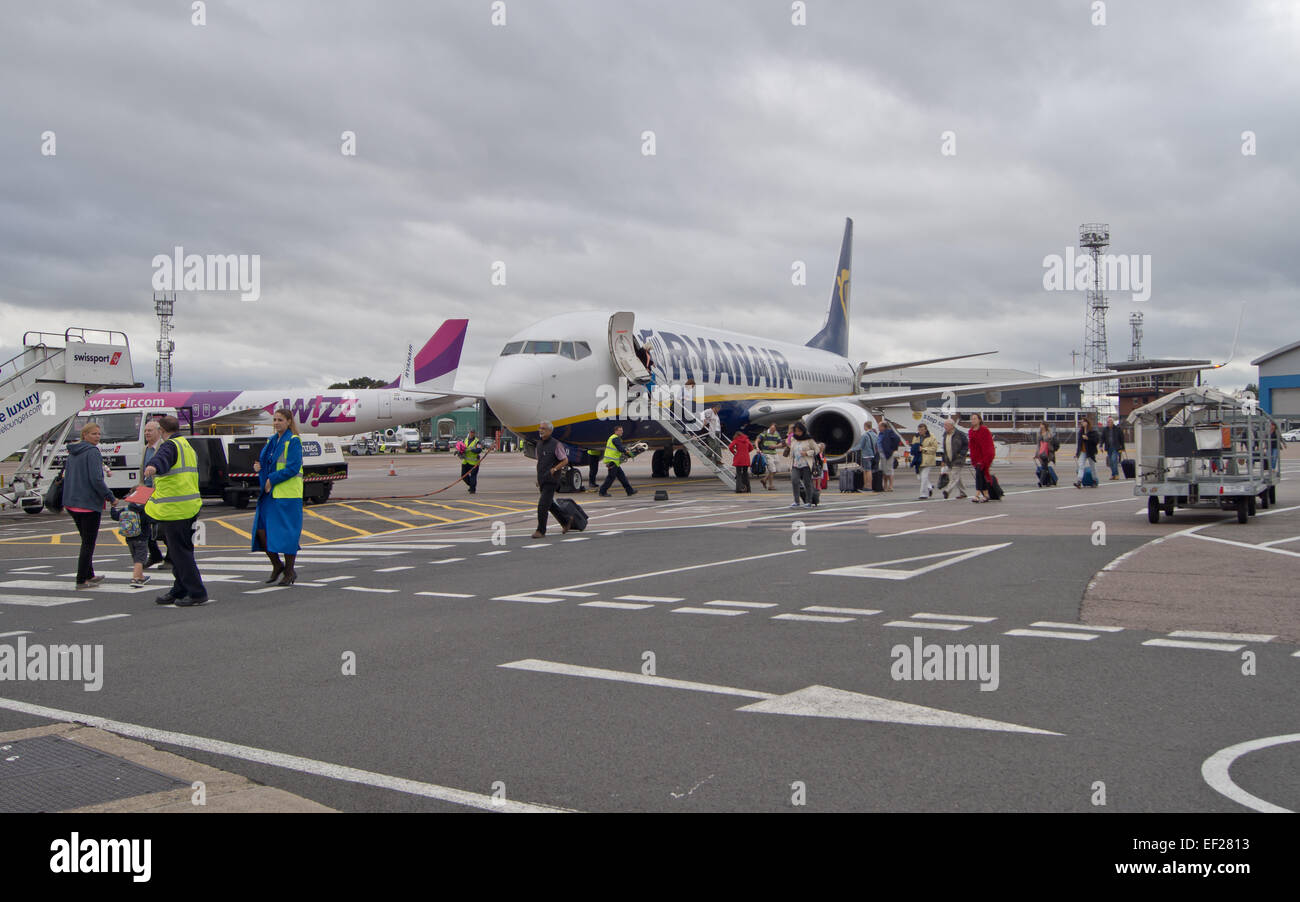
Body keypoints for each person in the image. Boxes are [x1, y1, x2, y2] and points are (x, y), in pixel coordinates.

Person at [143, 415, 209, 606]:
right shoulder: (186, 445)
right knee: (180, 551)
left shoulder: (169, 446)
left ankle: (197, 593)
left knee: (180, 553)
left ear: (162, 431)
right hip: (188, 506)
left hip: (175, 509)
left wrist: (153, 466)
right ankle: (179, 589)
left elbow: (163, 460)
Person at [62, 422, 119, 589]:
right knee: (88, 543)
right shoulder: (93, 452)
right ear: (85, 435)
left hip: (72, 502)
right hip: (88, 503)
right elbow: (96, 479)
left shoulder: (73, 451)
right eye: (94, 434)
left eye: (99, 434)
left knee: (85, 540)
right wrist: (110, 497)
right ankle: (81, 579)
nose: (97, 437)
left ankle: (89, 574)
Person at [252, 408, 304, 586]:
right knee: (261, 530)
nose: (276, 423)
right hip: (270, 493)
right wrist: (259, 468)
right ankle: (277, 564)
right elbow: (268, 463)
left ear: (289, 421)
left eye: (280, 420)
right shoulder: (272, 440)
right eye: (274, 420)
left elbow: (293, 468)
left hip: (287, 495)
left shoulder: (293, 441)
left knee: (287, 533)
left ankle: (289, 571)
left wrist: (271, 479)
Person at [533, 421, 575, 538]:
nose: (540, 430)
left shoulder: (556, 444)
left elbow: (565, 460)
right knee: (549, 503)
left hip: (551, 480)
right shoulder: (539, 445)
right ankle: (566, 520)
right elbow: (540, 462)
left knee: (542, 505)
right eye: (540, 428)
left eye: (543, 428)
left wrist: (555, 469)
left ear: (550, 431)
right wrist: (538, 478)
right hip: (542, 479)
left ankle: (540, 530)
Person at [140, 419, 168, 568]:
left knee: (162, 526)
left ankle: (170, 557)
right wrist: (139, 485)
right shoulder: (146, 448)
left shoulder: (164, 447)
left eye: (149, 430)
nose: (146, 433)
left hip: (160, 492)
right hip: (146, 491)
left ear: (159, 431)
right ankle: (155, 554)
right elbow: (142, 470)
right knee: (143, 523)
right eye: (145, 431)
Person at [109, 501, 151, 588]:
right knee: (140, 559)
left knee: (136, 558)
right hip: (141, 538)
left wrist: (113, 508)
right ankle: (135, 579)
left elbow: (115, 516)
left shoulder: (126, 509)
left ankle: (141, 576)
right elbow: (151, 520)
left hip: (129, 538)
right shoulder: (145, 509)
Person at [783, 421, 819, 508]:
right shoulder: (793, 439)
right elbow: (791, 449)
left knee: (807, 482)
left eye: (799, 431)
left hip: (806, 464)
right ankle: (796, 501)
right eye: (796, 431)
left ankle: (809, 501)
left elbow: (817, 450)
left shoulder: (809, 439)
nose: (797, 433)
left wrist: (807, 453)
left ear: (803, 430)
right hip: (795, 464)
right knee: (794, 480)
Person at [599, 425, 638, 497]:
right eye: (620, 430)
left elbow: (619, 448)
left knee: (622, 477)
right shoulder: (615, 438)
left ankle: (630, 491)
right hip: (612, 461)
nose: (622, 432)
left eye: (622, 430)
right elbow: (620, 448)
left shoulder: (613, 438)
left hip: (615, 462)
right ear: (616, 431)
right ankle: (602, 491)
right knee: (611, 477)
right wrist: (627, 452)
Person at [968, 412, 996, 503]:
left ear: (979, 420)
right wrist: (973, 458)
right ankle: (986, 494)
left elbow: (988, 445)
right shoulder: (971, 431)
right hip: (976, 457)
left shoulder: (984, 430)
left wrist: (985, 459)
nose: (973, 420)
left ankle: (977, 494)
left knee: (979, 474)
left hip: (985, 456)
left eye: (975, 418)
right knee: (981, 476)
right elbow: (972, 446)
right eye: (972, 419)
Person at [940, 418, 970, 500]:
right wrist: (944, 459)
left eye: (946, 425)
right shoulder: (945, 435)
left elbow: (966, 445)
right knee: (957, 477)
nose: (945, 426)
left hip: (958, 459)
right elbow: (945, 448)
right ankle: (963, 493)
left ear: (952, 426)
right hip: (949, 459)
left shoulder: (960, 434)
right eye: (944, 425)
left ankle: (947, 491)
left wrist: (961, 454)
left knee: (954, 475)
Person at [1074, 416, 1101, 488]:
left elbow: (1096, 441)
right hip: (1083, 451)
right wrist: (1077, 453)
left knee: (1093, 467)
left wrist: (1088, 438)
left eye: (1083, 421)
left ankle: (1095, 480)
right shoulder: (1081, 432)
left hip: (1090, 451)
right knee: (1081, 466)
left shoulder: (1092, 431)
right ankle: (1079, 481)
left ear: (1087, 422)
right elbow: (1079, 443)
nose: (1082, 423)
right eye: (1081, 422)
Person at [877, 420, 902, 492]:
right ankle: (885, 485)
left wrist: (892, 449)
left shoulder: (889, 432)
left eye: (879, 426)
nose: (878, 428)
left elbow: (897, 439)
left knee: (889, 470)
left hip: (887, 453)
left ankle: (890, 486)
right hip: (881, 453)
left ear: (883, 427)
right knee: (883, 470)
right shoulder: (881, 434)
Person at [756, 424, 782, 490]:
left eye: (773, 430)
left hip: (774, 453)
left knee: (777, 469)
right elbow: (757, 440)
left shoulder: (777, 434)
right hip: (767, 453)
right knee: (772, 469)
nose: (772, 431)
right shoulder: (764, 433)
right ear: (769, 428)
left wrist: (775, 446)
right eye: (771, 429)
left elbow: (781, 443)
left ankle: (764, 479)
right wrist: (757, 448)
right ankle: (771, 486)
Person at [1034, 421, 1060, 486]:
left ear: (1044, 426)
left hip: (1047, 453)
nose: (1040, 426)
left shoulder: (1048, 433)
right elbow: (1038, 445)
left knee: (1044, 467)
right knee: (1045, 468)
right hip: (1041, 453)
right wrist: (1036, 454)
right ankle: (1049, 481)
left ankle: (1041, 481)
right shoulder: (1039, 434)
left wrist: (1049, 438)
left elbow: (1050, 443)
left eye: (1041, 424)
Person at [916, 423, 938, 499]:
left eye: (922, 430)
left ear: (926, 429)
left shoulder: (931, 437)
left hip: (928, 459)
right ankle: (929, 487)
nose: (920, 431)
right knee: (920, 477)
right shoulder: (916, 437)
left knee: (924, 476)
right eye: (919, 430)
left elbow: (934, 448)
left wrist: (924, 449)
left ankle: (923, 494)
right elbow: (914, 447)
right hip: (919, 460)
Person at [1101, 416, 1125, 480]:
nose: (1109, 423)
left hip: (1116, 447)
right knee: (1111, 462)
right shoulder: (1105, 430)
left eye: (1110, 422)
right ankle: (1113, 474)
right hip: (1109, 447)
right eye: (1108, 422)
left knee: (1114, 460)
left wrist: (1123, 447)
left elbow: (1122, 438)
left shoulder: (1117, 429)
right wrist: (1101, 446)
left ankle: (1116, 474)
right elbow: (1102, 438)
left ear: (1113, 422)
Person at [856, 420, 878, 488]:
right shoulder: (875, 434)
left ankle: (868, 485)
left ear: (865, 426)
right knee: (869, 470)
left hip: (866, 455)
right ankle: (868, 485)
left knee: (867, 470)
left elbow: (860, 446)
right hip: (873, 454)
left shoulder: (865, 435)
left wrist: (851, 450)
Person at [459, 428, 482, 494]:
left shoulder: (477, 441)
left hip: (474, 462)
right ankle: (471, 485)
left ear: (474, 433)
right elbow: (462, 448)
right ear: (469, 432)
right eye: (471, 432)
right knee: (463, 476)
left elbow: (479, 450)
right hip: (465, 462)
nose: (471, 433)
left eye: (473, 432)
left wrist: (472, 450)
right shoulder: (465, 440)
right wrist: (459, 452)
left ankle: (472, 489)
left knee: (473, 476)